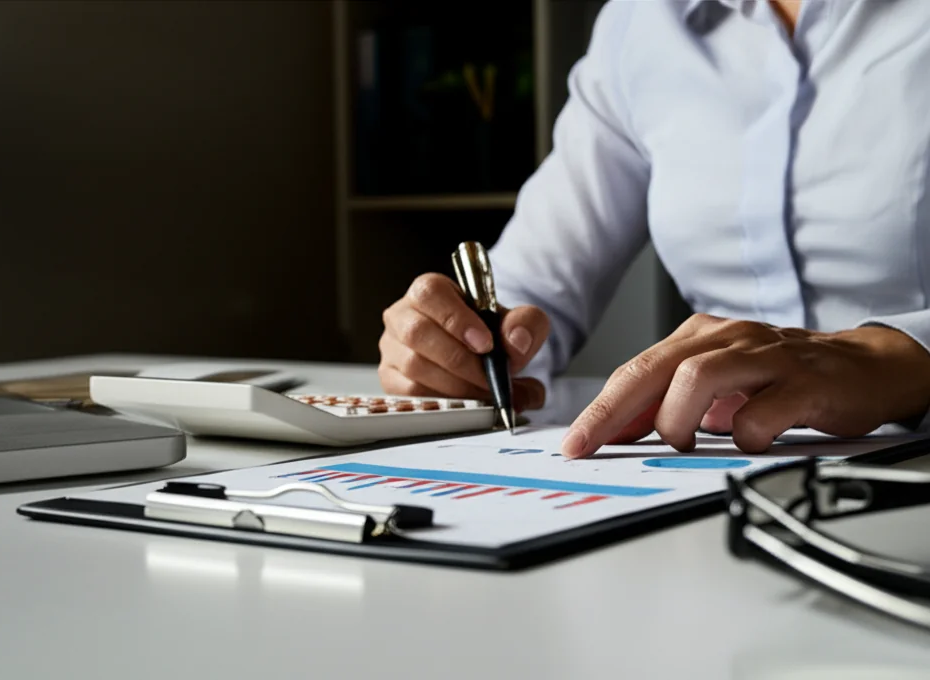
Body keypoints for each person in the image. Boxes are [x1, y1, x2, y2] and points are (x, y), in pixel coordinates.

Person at [377, 0, 930, 459]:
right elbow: (530, 294)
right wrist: (454, 350)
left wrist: (897, 359)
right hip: (713, 475)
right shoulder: (641, 23)